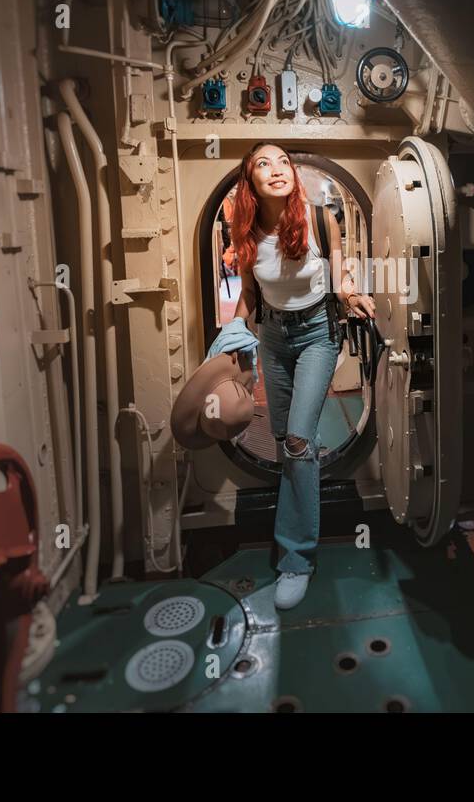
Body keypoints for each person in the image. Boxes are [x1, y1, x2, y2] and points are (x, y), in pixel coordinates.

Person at [212, 142, 375, 610]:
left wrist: (352, 294)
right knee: (285, 435)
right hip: (273, 338)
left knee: (299, 441)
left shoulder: (321, 219)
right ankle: (302, 478)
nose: (277, 169)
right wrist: (232, 338)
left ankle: (296, 558)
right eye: (263, 163)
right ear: (251, 182)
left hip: (318, 335)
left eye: (283, 161)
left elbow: (339, 276)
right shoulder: (244, 232)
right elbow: (247, 295)